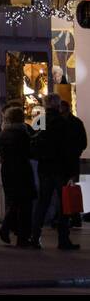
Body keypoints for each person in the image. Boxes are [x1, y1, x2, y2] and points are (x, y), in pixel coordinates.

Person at [32, 93, 79, 250]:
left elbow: (34, 144)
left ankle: (35, 236)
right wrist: (72, 171)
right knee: (63, 203)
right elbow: (69, 149)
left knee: (42, 202)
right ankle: (63, 239)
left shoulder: (40, 120)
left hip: (45, 167)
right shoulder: (63, 122)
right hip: (61, 168)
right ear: (58, 105)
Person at [0, 106, 37, 247]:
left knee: (14, 202)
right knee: (25, 204)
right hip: (21, 171)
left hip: (7, 171)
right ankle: (20, 236)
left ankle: (8, 230)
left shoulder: (3, 134)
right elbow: (30, 152)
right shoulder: (22, 134)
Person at [60, 98, 87, 230]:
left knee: (63, 189)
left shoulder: (49, 121)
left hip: (62, 161)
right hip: (71, 160)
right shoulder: (76, 122)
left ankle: (69, 217)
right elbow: (83, 142)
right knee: (71, 188)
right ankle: (73, 216)